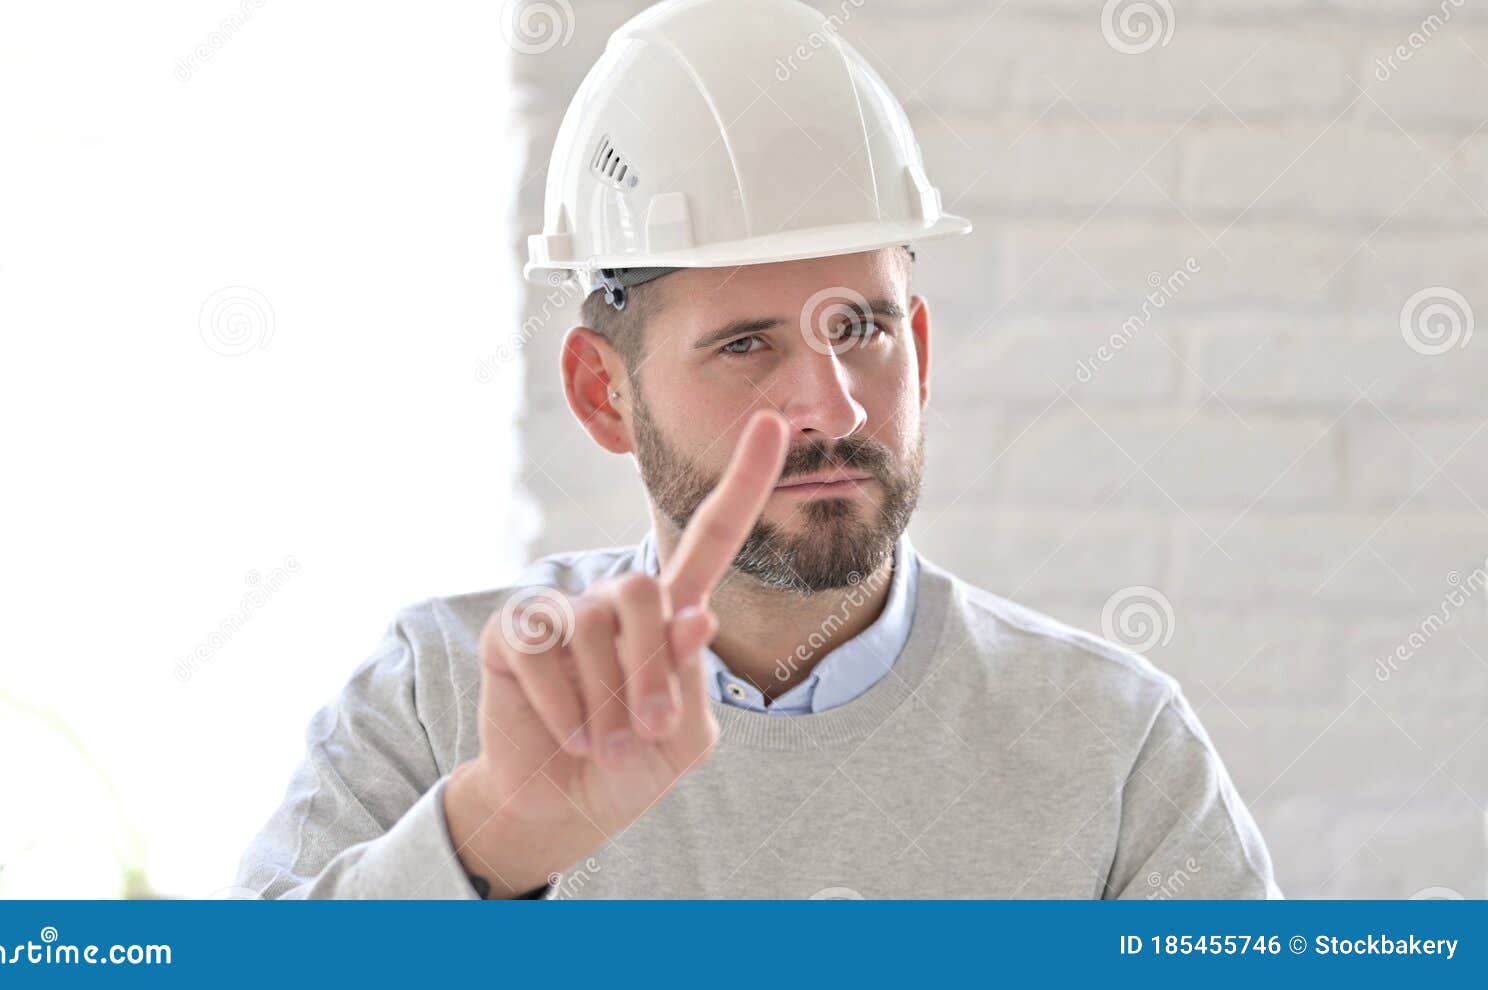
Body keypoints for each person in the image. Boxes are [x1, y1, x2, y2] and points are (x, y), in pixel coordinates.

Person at [234, 0, 1280, 899]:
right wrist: (489, 849)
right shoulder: (445, 696)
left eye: (858, 330)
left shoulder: (1113, 744)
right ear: (605, 393)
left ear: (915, 351)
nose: (830, 410)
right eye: (745, 346)